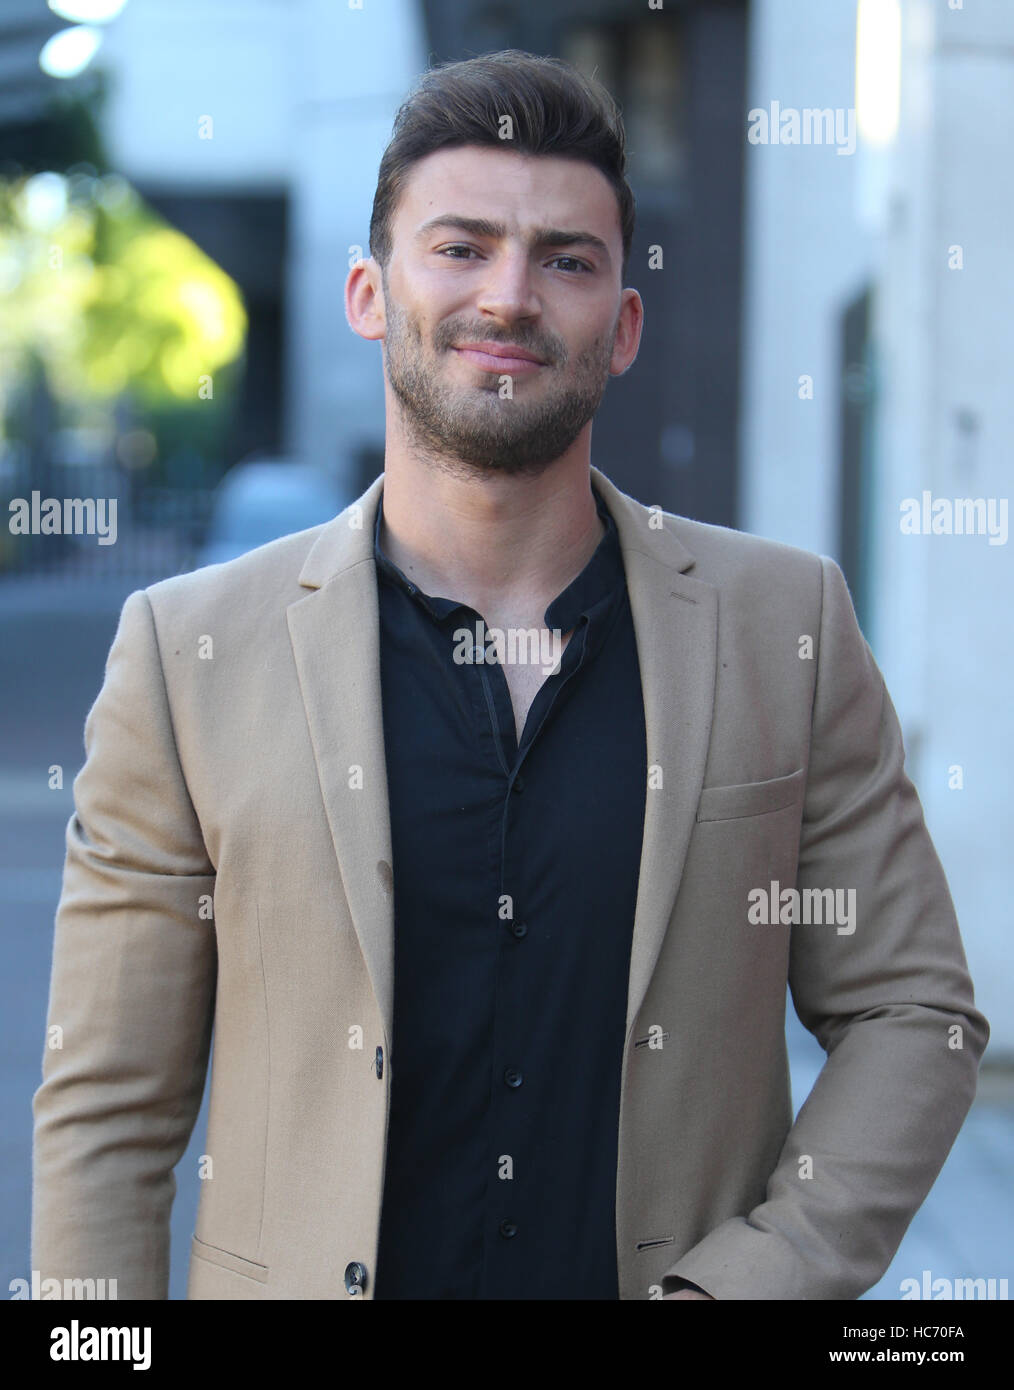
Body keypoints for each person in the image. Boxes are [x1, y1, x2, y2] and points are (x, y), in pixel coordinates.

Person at [32, 49, 987, 1302]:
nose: (510, 295)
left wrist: (754, 1283)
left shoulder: (783, 626)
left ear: (625, 326)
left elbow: (912, 1013)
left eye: (567, 260)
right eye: (461, 246)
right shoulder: (186, 653)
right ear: (371, 294)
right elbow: (108, 1112)